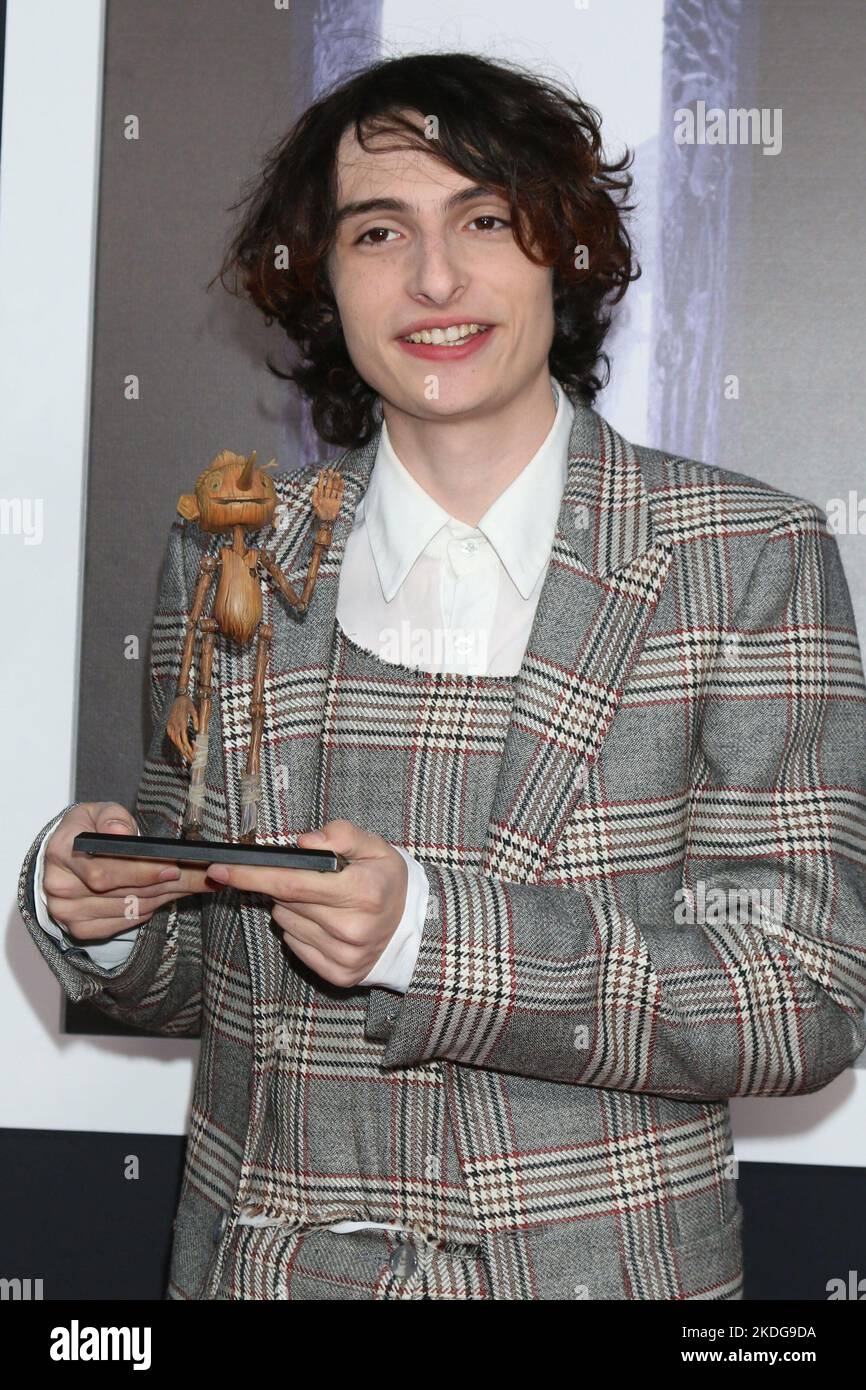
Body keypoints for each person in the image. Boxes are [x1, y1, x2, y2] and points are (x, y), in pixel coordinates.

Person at [17, 51, 866, 1301]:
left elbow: (799, 993)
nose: (432, 278)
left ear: (559, 252)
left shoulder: (742, 558)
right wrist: (99, 913)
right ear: (323, 277)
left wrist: (428, 934)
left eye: (482, 218)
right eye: (377, 231)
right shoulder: (229, 549)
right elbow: (212, 971)